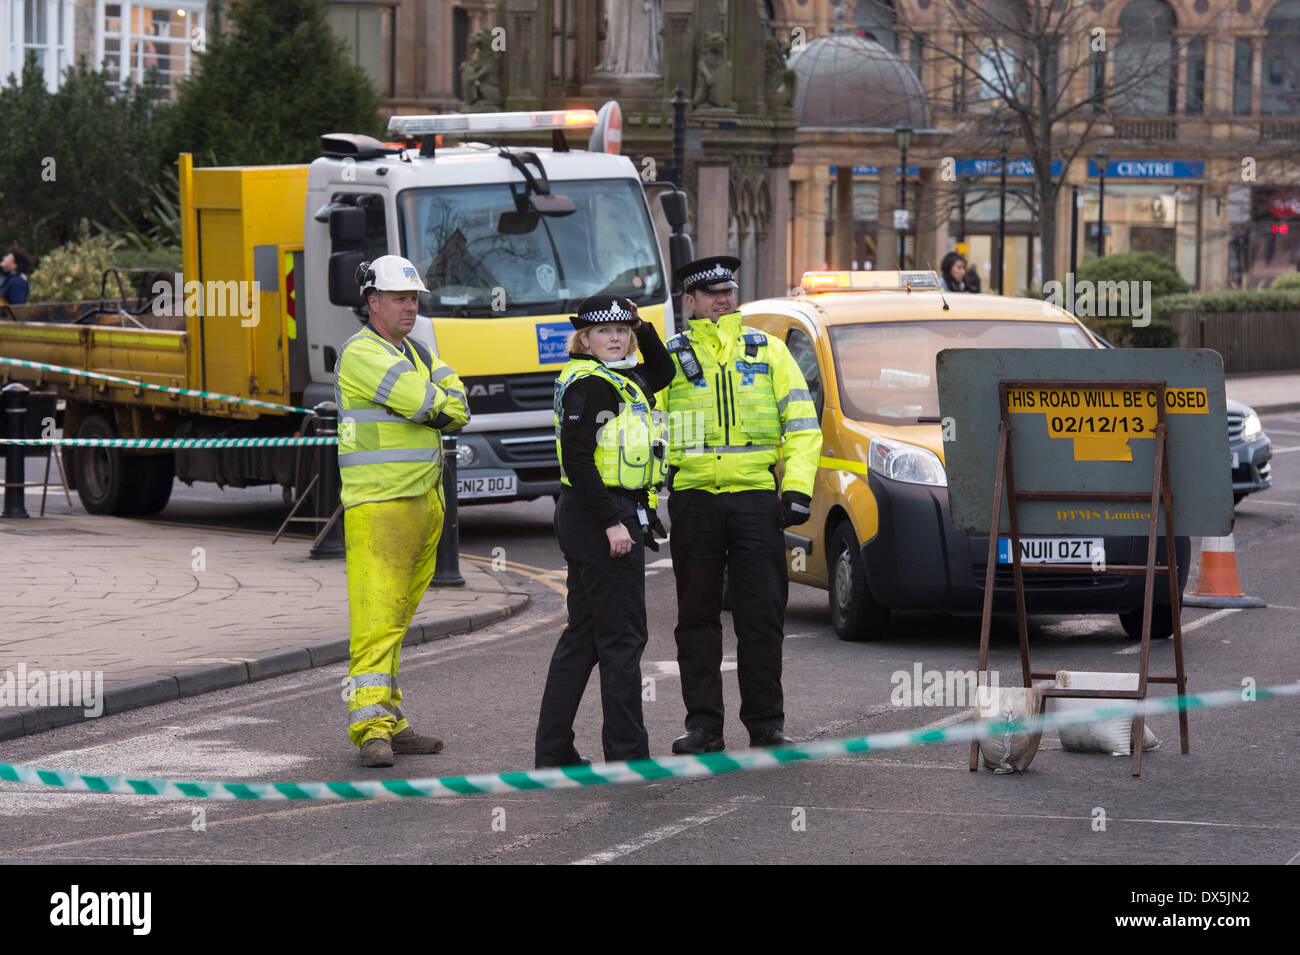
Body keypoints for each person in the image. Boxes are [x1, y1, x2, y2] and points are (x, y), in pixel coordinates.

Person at [661, 255, 822, 753]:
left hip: (756, 501)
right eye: (711, 293)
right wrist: (648, 500)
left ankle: (766, 726)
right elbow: (648, 435)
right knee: (697, 618)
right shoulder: (668, 359)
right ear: (689, 302)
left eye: (728, 290)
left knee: (762, 616)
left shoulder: (769, 352)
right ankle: (704, 728)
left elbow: (802, 427)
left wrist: (795, 491)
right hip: (695, 500)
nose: (723, 299)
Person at [335, 255, 470, 768]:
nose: (411, 307)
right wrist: (437, 404)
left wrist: (439, 403)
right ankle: (370, 729)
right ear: (373, 303)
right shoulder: (362, 353)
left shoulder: (414, 350)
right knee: (376, 622)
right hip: (380, 504)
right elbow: (429, 406)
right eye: (400, 298)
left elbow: (459, 403)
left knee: (396, 620)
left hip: (423, 500)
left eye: (414, 299)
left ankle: (389, 718)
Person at [534, 295, 675, 768]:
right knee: (622, 640)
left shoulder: (624, 379)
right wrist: (613, 522)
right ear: (585, 340)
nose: (615, 338)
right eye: (604, 332)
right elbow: (577, 460)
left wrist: (644, 323)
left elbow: (666, 371)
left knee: (587, 637)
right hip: (600, 517)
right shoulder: (592, 386)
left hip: (601, 514)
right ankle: (628, 754)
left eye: (622, 331)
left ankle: (554, 751)